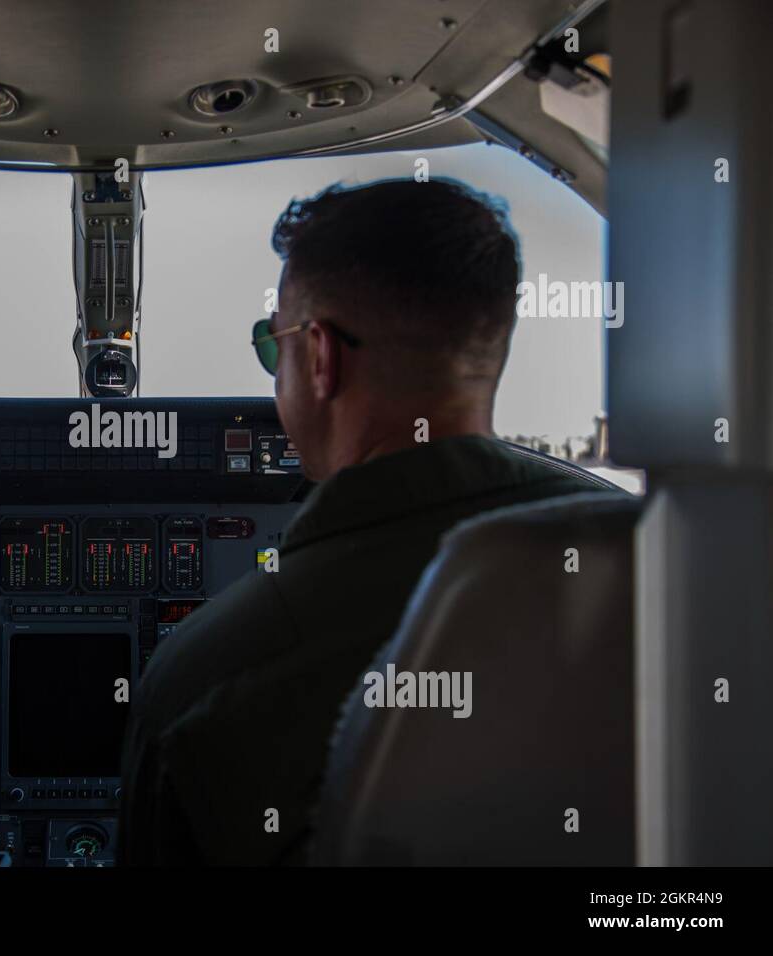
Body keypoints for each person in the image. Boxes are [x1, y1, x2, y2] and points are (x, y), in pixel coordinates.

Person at [118, 179, 620, 866]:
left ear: (320, 356)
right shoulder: (655, 573)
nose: (276, 369)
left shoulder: (201, 683)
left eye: (274, 345)